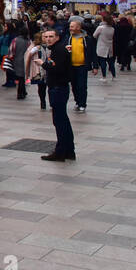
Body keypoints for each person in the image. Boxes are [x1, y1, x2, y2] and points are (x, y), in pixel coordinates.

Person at [39, 29, 76, 163]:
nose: (48, 39)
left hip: (58, 88)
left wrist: (42, 64)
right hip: (58, 87)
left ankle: (61, 152)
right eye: (46, 37)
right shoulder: (57, 49)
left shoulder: (59, 50)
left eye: (51, 36)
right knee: (62, 120)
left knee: (59, 121)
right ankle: (68, 150)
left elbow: (58, 69)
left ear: (57, 37)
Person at [65, 18, 90, 112]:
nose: (70, 28)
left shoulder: (85, 38)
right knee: (74, 85)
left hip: (82, 66)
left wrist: (94, 66)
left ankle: (83, 103)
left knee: (82, 86)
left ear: (78, 27)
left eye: (72, 26)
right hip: (71, 66)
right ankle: (77, 101)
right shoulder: (68, 37)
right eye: (70, 26)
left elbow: (91, 52)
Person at [25, 30, 49, 110]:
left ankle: (47, 102)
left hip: (48, 69)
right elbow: (29, 54)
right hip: (40, 70)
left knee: (46, 87)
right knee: (42, 87)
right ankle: (43, 102)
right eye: (45, 37)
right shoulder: (36, 47)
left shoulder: (48, 46)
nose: (47, 38)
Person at [10, 21, 31, 100]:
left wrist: (11, 57)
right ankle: (23, 92)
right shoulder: (28, 41)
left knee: (20, 77)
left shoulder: (15, 40)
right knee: (22, 77)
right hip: (26, 60)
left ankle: (20, 93)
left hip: (17, 60)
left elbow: (11, 50)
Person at [93, 14, 116, 80]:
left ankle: (104, 77)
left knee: (103, 62)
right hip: (110, 46)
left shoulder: (100, 28)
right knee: (111, 62)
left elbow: (94, 35)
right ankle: (113, 76)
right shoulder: (112, 29)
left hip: (102, 46)